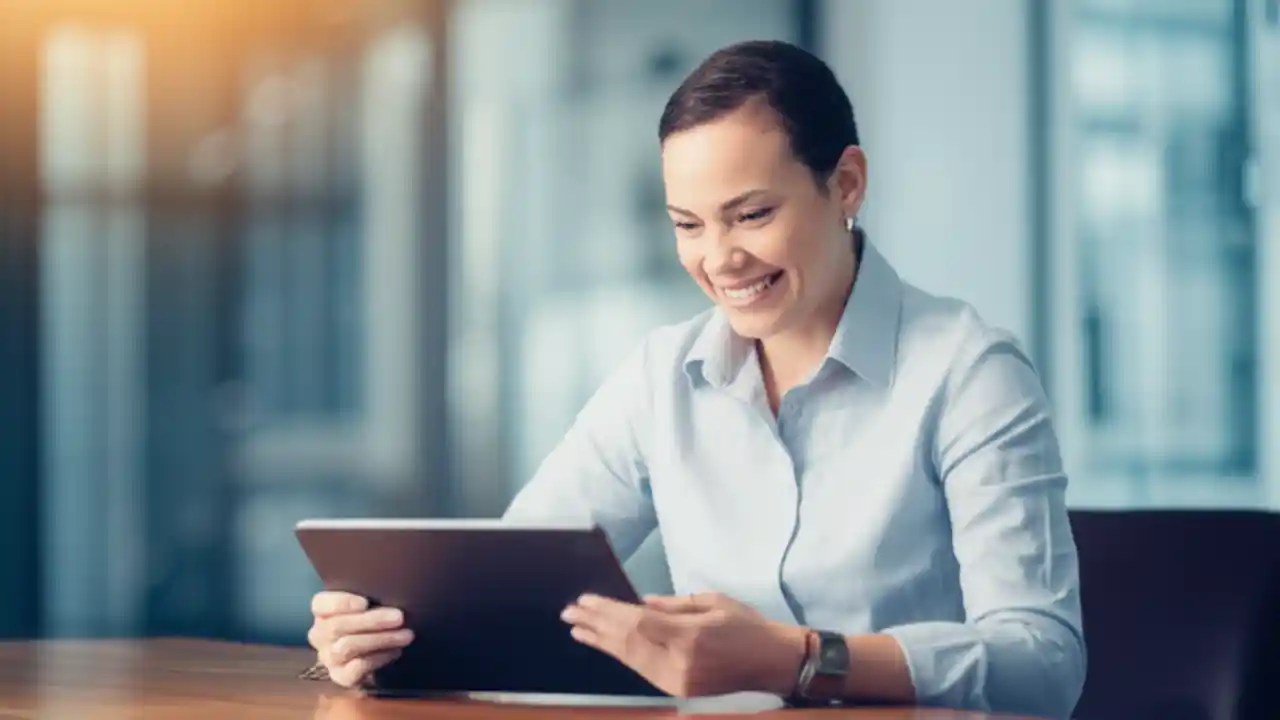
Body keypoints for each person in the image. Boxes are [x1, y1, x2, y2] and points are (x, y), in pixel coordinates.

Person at [306, 40, 1085, 718]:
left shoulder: (969, 372)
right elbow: (514, 587)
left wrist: (791, 657)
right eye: (688, 224)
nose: (719, 259)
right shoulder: (659, 377)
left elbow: (1043, 665)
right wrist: (380, 639)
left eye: (750, 215)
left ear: (845, 183)